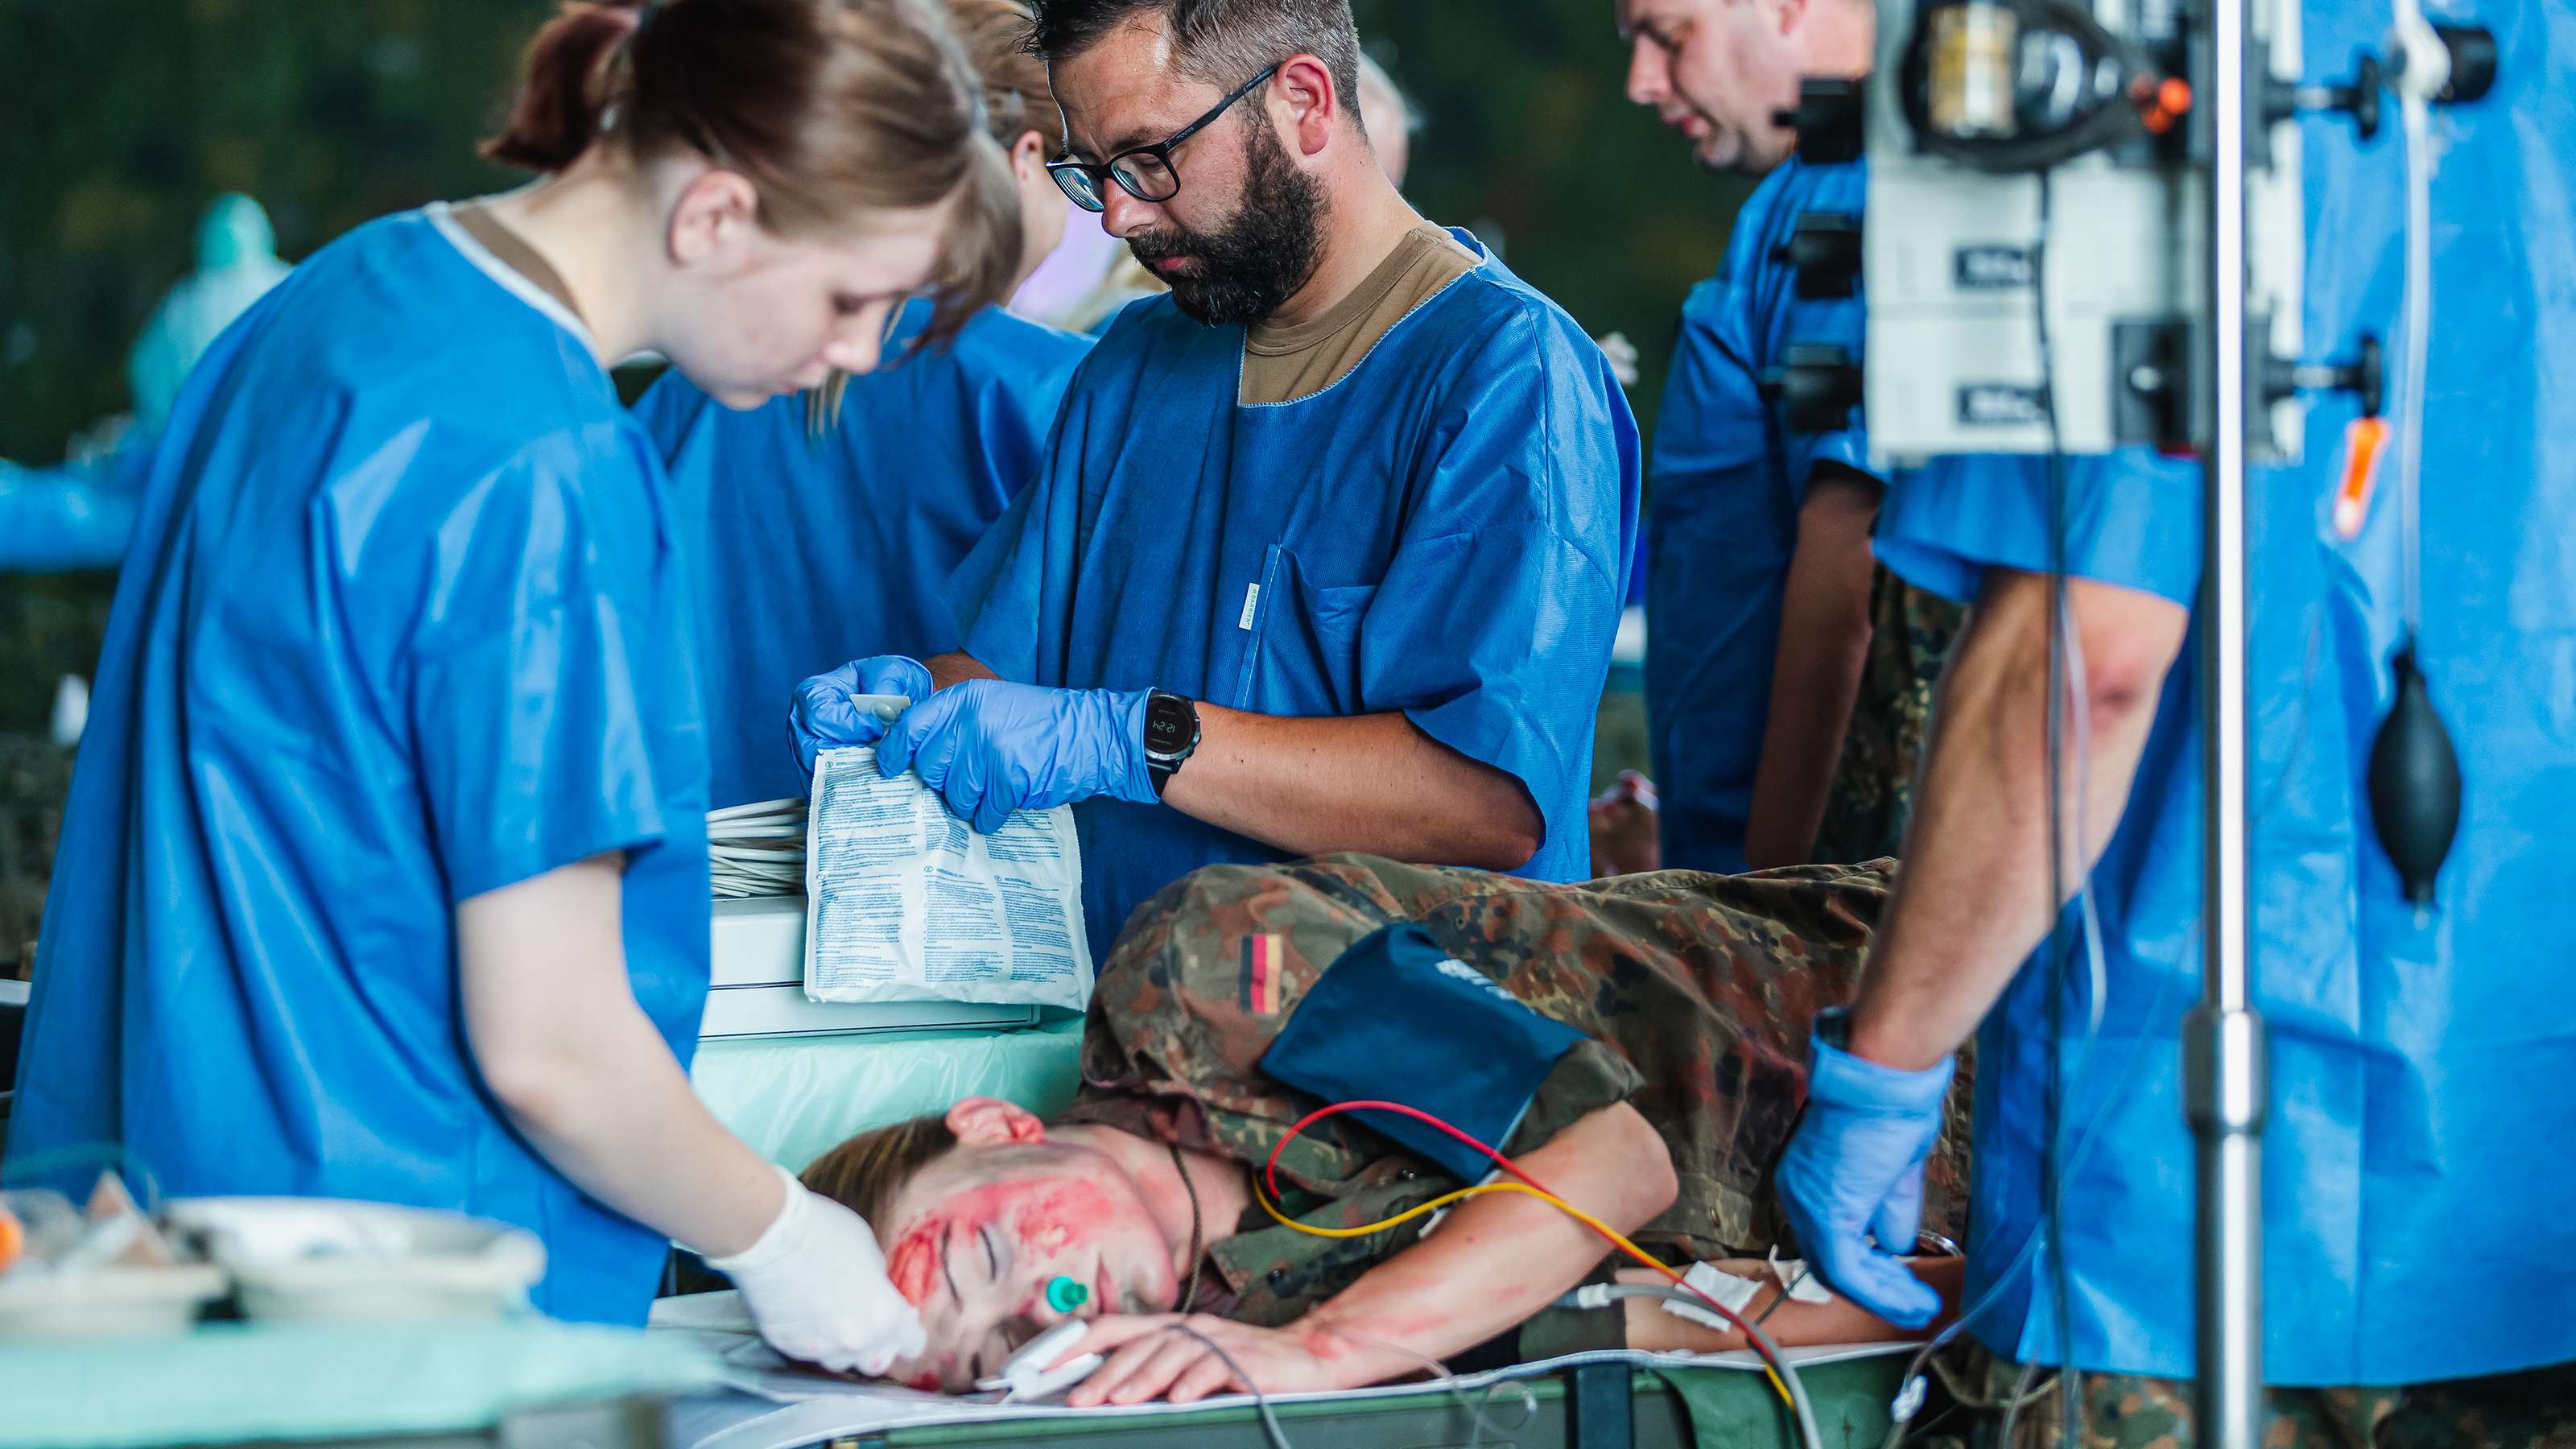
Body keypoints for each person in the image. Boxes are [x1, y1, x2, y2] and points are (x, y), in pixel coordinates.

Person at [6, 0, 1019, 1370]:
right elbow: (552, 1045)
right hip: (395, 1281)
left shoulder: (335, 298)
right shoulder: (542, 468)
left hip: (155, 1227)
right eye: (854, 300)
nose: (854, 355)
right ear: (715, 214)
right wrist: (780, 1234)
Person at [1775, 6, 2576, 1442]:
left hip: (2200, 1244)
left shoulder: (2152, 42)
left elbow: (2087, 664)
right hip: (2536, 1201)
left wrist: (1881, 1074)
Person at [794, 0, 1637, 965]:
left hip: (1386, 1063)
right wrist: (908, 708)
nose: (1118, 215)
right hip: (1128, 1027)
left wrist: (1134, 741)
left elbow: (1487, 802)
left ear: (1304, 101)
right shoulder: (1136, 361)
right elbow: (1017, 677)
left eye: (1151, 158)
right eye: (1093, 173)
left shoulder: (1507, 376)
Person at [802, 850, 1974, 1397]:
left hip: (1946, 997)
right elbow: (1654, 1321)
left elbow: (1615, 1164)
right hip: (1971, 1208)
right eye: (1006, 1349)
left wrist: (1320, 1356)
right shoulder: (1237, 1325)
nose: (1052, 1309)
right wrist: (1982, 1300)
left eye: (995, 1255)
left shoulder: (1205, 971)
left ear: (1001, 1126)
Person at [633, 0, 1096, 808]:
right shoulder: (1061, 391)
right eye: (1075, 182)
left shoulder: (694, 387)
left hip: (699, 876)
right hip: (942, 892)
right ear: (1025, 159)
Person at [1620, 0, 1959, 873]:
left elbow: (1849, 557)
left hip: (1796, 897)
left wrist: (1770, 904)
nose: (1641, 83)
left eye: (1668, 34)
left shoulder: (1847, 193)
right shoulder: (1804, 195)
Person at [0, 195, 294, 575]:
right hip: (267, 463)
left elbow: (146, 375)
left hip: (181, 455)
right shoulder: (289, 287)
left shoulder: (185, 300)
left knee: (101, 495)